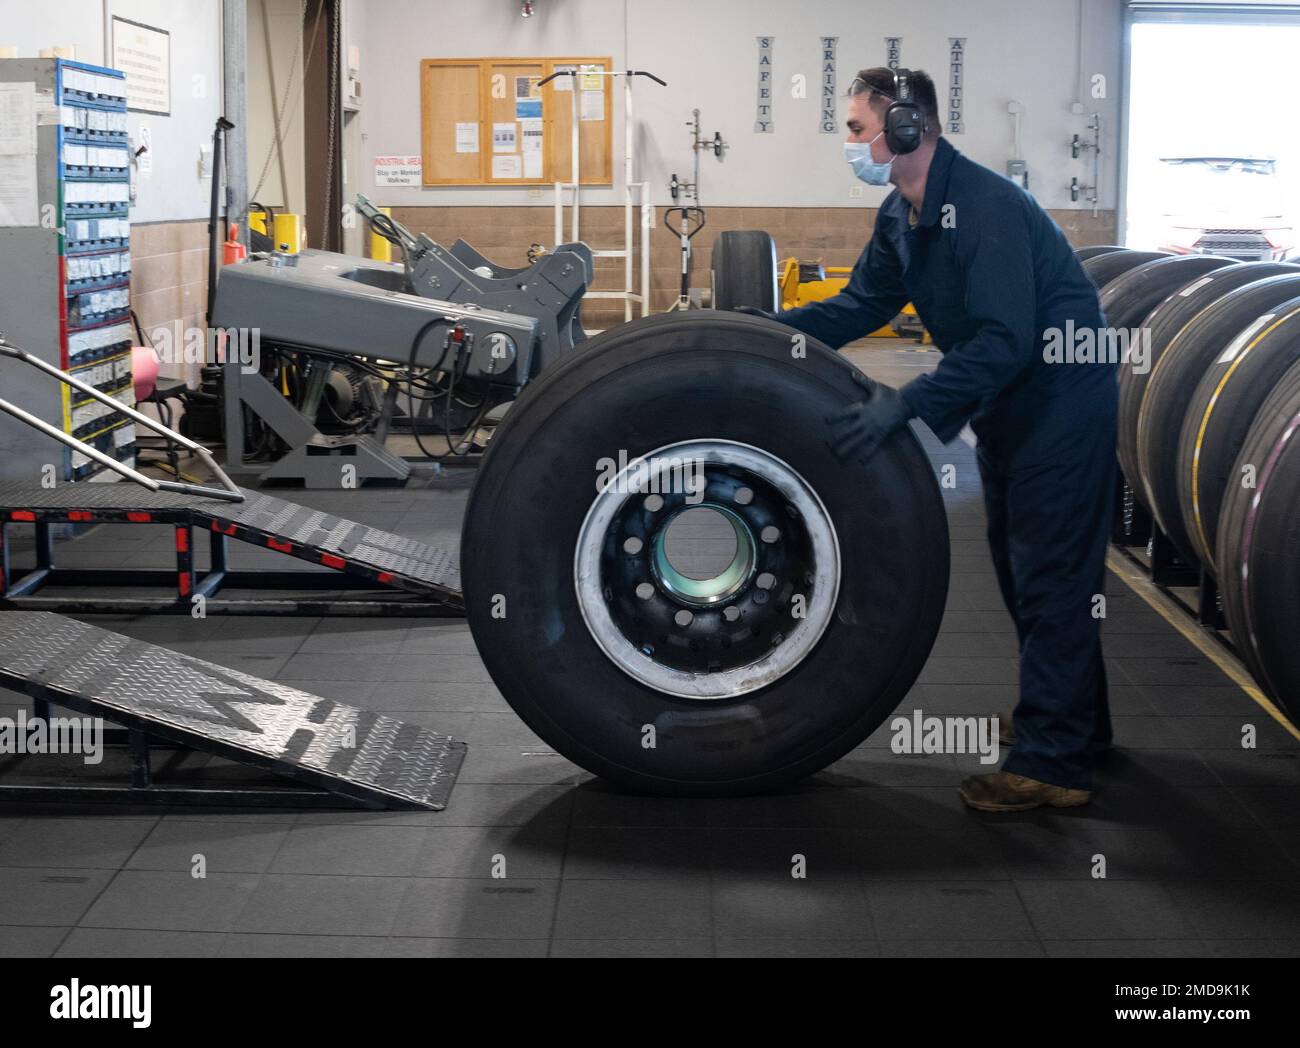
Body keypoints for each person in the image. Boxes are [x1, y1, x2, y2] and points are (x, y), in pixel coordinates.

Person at [753, 67, 1116, 812]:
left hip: (1060, 405)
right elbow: (859, 306)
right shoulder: (901, 214)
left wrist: (906, 405)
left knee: (1052, 575)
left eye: (857, 129)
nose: (849, 144)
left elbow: (1007, 340)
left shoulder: (982, 207)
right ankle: (1075, 722)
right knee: (1027, 572)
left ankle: (1056, 765)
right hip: (1012, 408)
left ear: (909, 127)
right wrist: (762, 334)